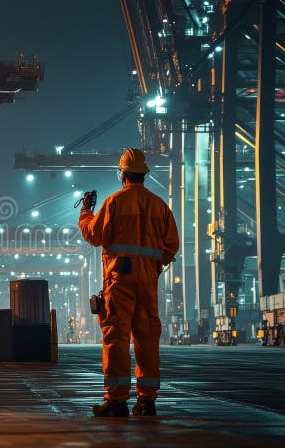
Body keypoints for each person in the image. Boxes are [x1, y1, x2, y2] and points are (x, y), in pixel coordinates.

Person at [78, 147, 179, 417]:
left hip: (119, 281)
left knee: (116, 339)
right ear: (143, 175)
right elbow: (172, 246)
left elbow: (94, 235)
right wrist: (153, 265)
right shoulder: (160, 206)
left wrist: (86, 211)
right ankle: (147, 402)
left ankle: (117, 401)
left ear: (122, 174)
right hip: (147, 282)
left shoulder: (114, 203)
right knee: (147, 339)